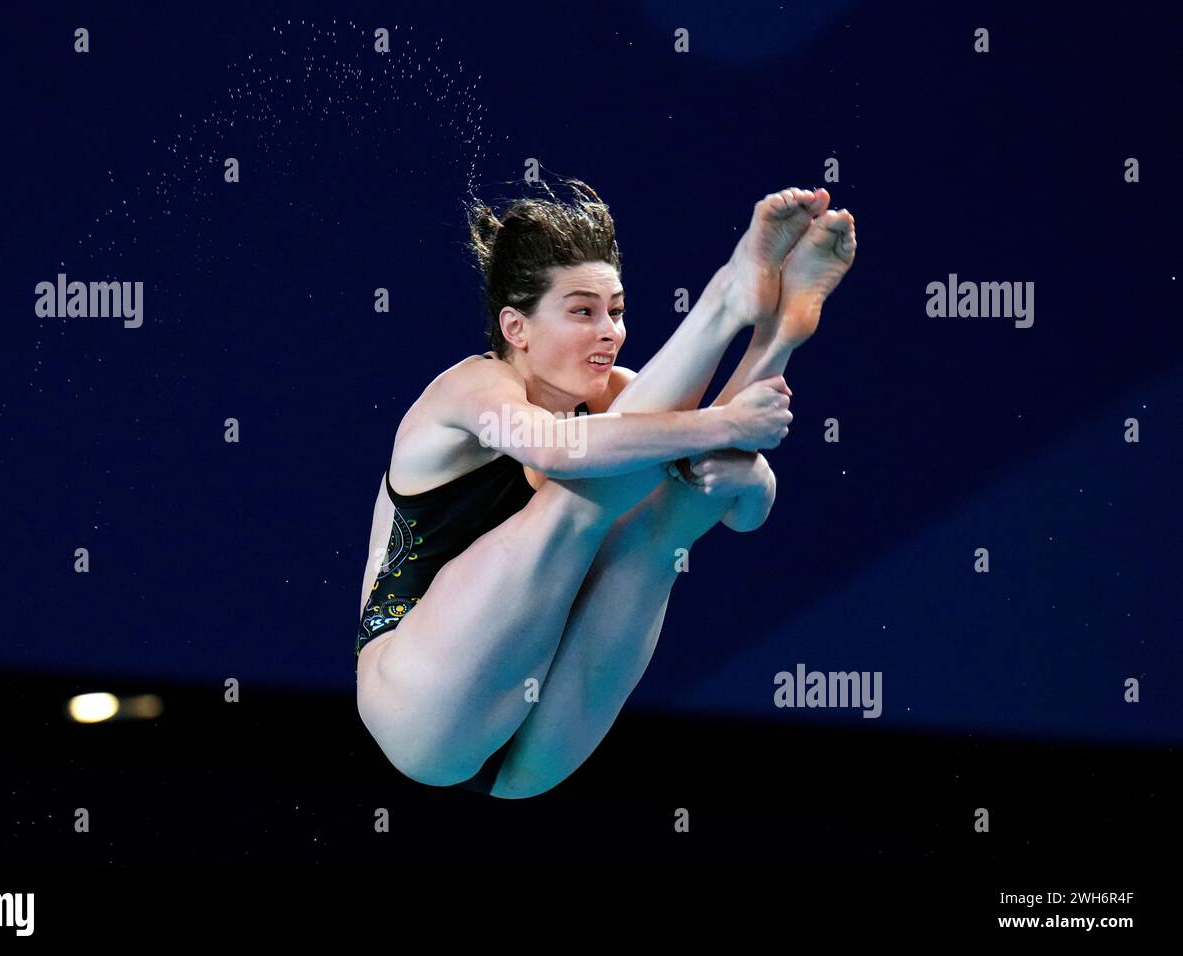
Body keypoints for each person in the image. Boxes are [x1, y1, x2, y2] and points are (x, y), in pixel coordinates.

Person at [355, 180, 856, 798]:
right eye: (583, 312)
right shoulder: (469, 390)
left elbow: (742, 514)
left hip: (531, 761)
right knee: (579, 496)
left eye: (616, 311)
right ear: (516, 327)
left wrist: (749, 472)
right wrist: (725, 425)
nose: (609, 332)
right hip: (421, 710)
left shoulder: (620, 399)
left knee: (659, 526)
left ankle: (776, 334)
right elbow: (555, 451)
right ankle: (728, 299)